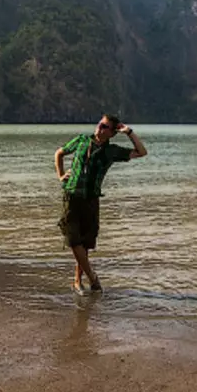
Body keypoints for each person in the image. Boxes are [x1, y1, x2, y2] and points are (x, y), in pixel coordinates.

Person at [53, 114, 148, 295]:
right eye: (100, 124)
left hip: (91, 199)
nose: (99, 128)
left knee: (85, 243)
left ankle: (77, 281)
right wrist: (61, 175)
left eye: (105, 127)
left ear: (112, 133)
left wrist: (129, 132)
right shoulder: (81, 140)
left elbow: (142, 152)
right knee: (73, 240)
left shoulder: (111, 151)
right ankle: (93, 278)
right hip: (71, 196)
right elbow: (59, 153)